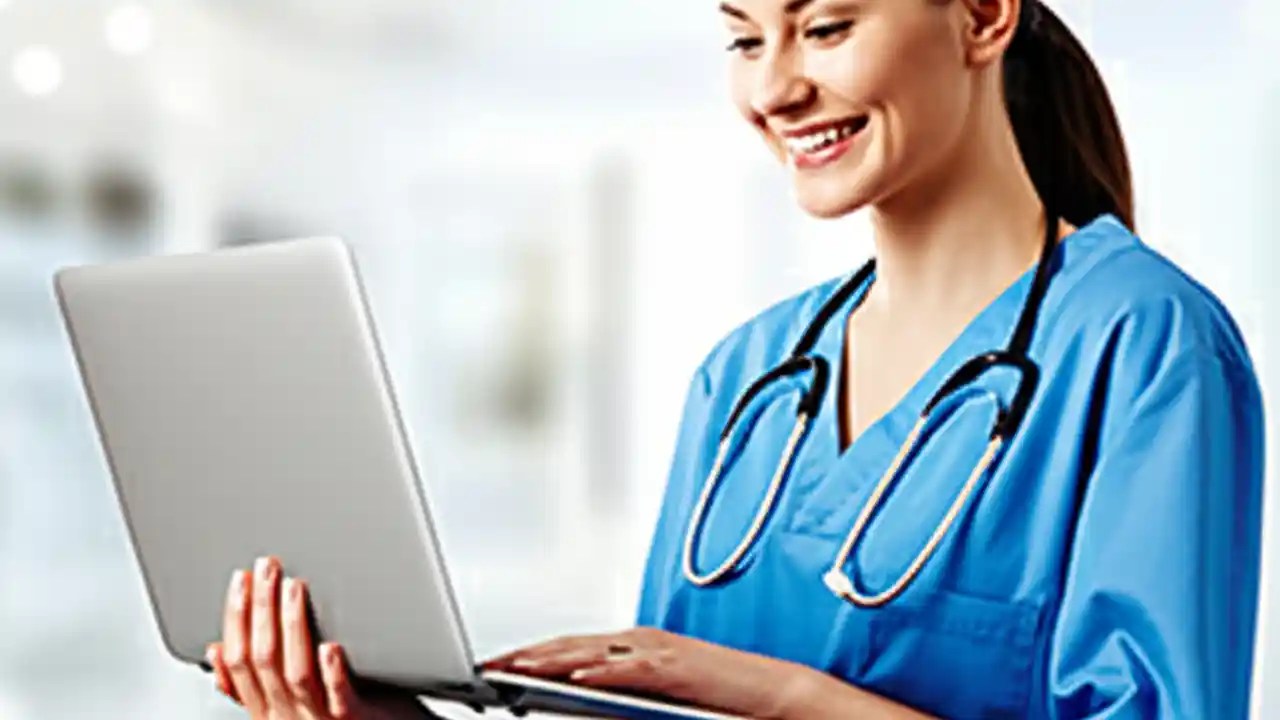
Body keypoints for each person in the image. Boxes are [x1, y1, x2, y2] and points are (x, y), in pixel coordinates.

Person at [206, 0, 1266, 717]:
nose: (775, 89)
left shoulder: (1140, 344)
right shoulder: (747, 377)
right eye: (743, 37)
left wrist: (782, 696)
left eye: (823, 27)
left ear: (983, 14)